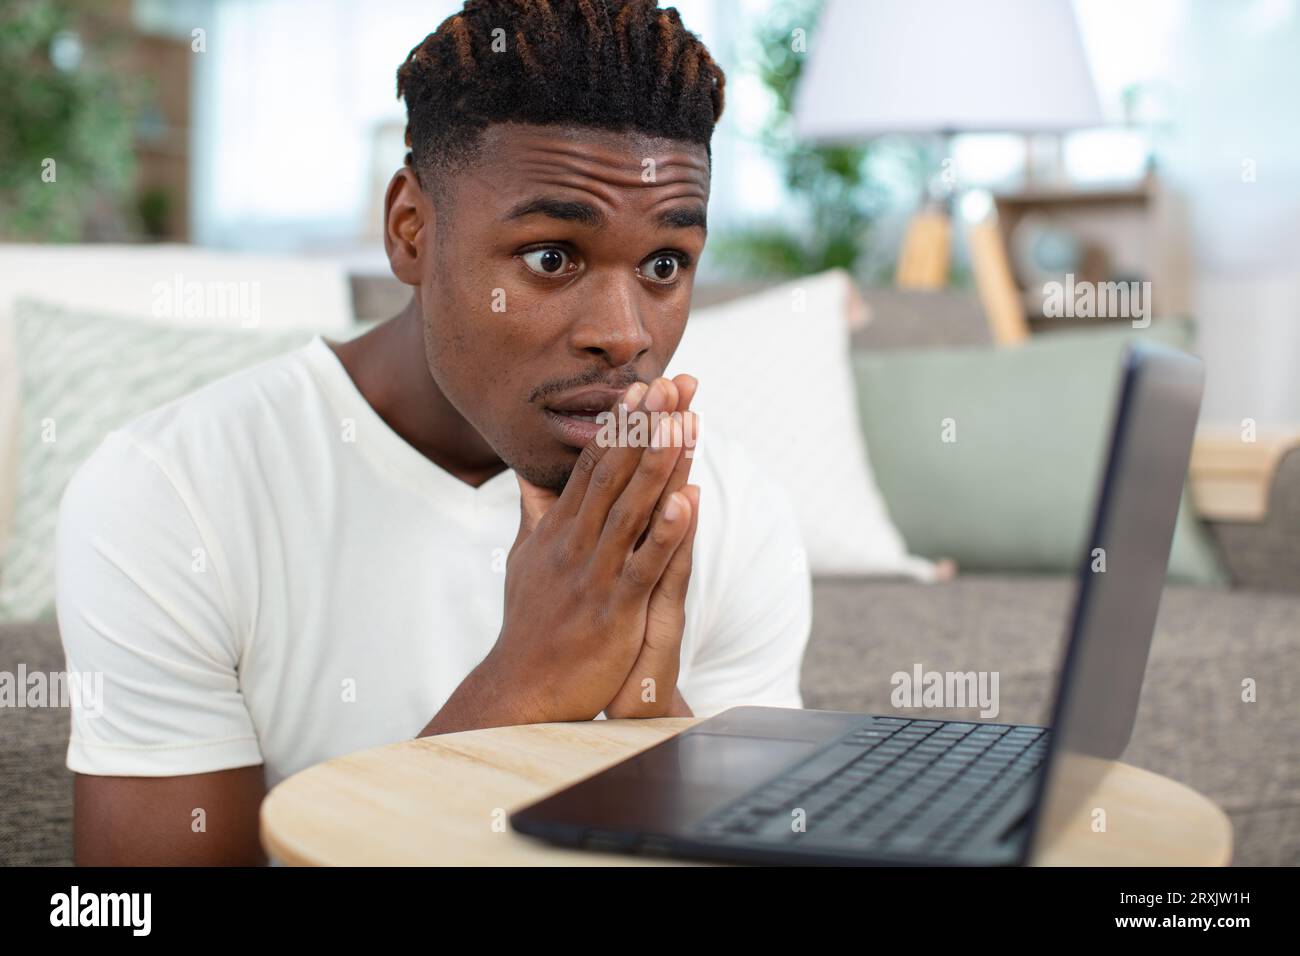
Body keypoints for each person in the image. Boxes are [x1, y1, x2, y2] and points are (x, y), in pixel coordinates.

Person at [58, 0, 809, 865]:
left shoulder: (734, 508)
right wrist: (520, 683)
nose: (627, 333)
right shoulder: (170, 496)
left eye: (664, 265)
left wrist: (647, 716)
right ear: (411, 230)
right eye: (552, 256)